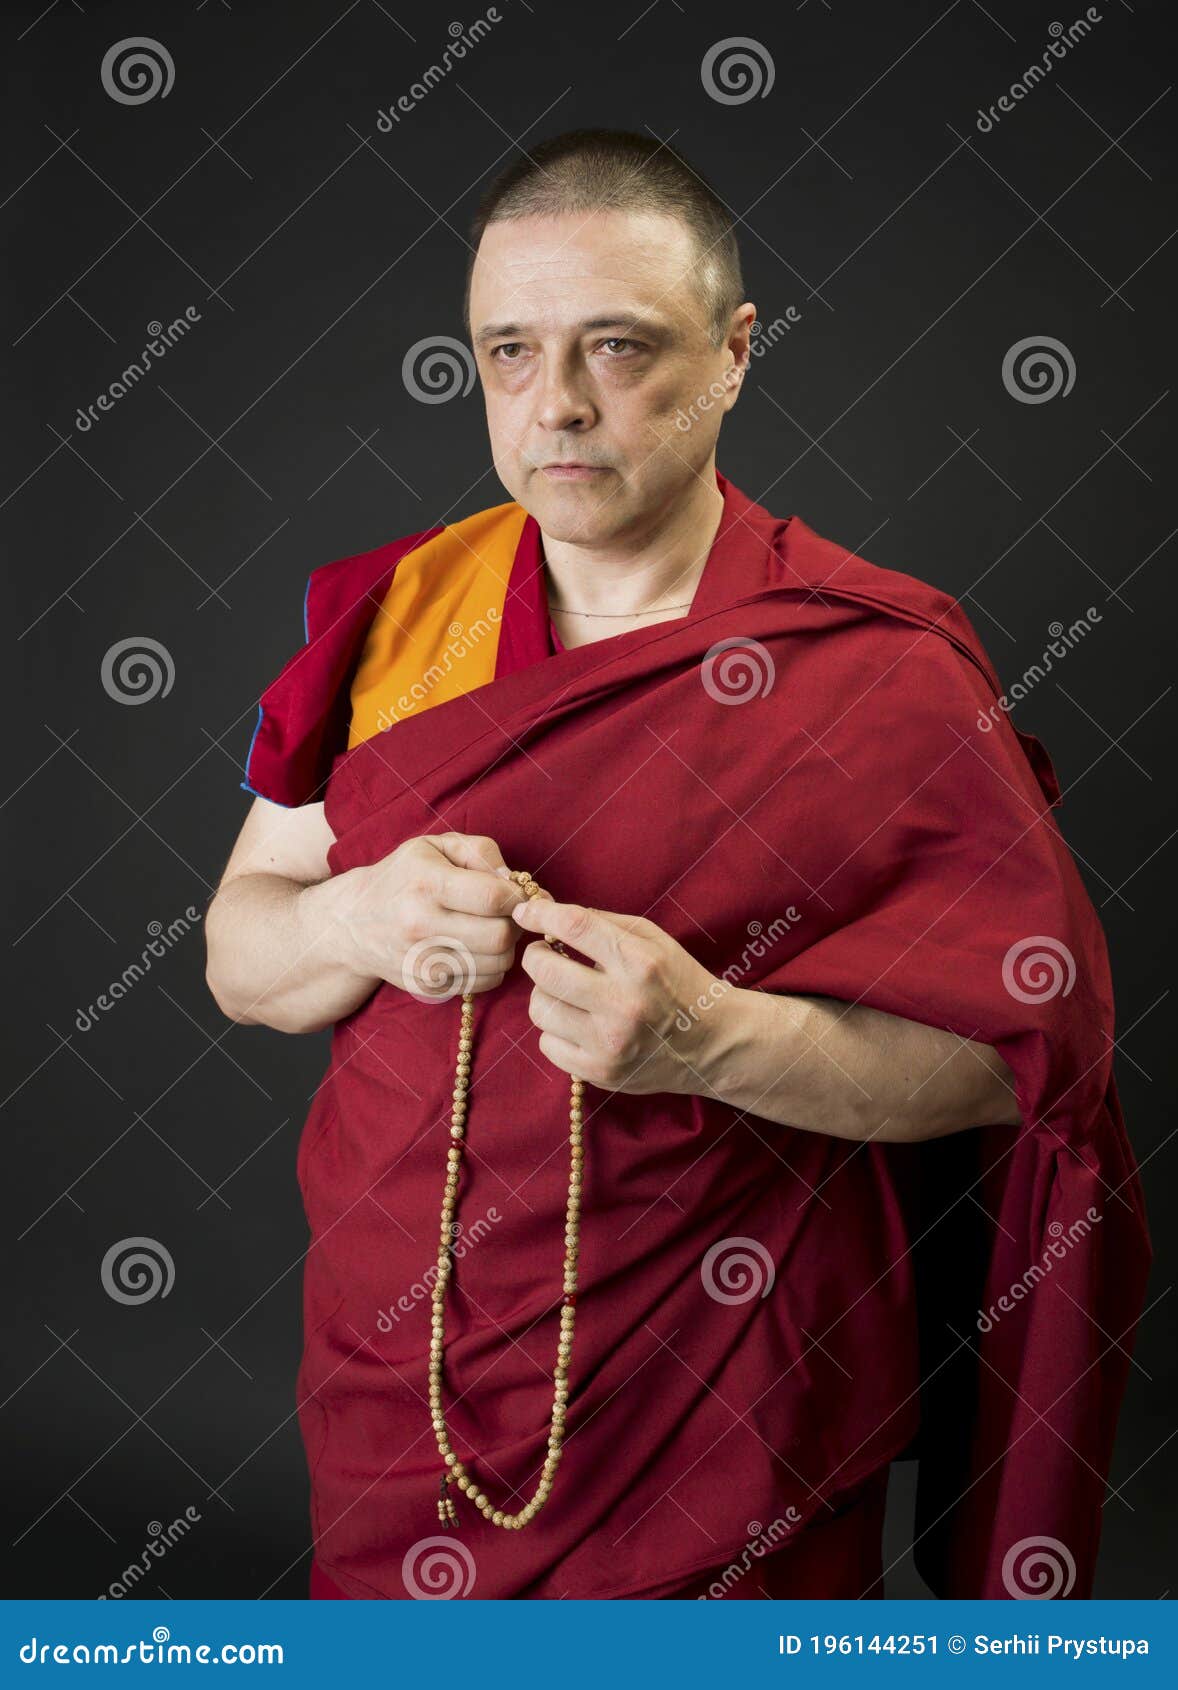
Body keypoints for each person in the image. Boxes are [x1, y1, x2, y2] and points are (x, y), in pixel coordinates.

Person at [205, 130, 1150, 1601]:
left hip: (729, 1396)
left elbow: (1022, 1058)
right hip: (407, 1377)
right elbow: (239, 953)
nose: (555, 404)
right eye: (507, 351)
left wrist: (717, 1037)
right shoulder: (400, 613)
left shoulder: (872, 662)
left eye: (619, 348)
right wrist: (354, 910)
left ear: (731, 353)